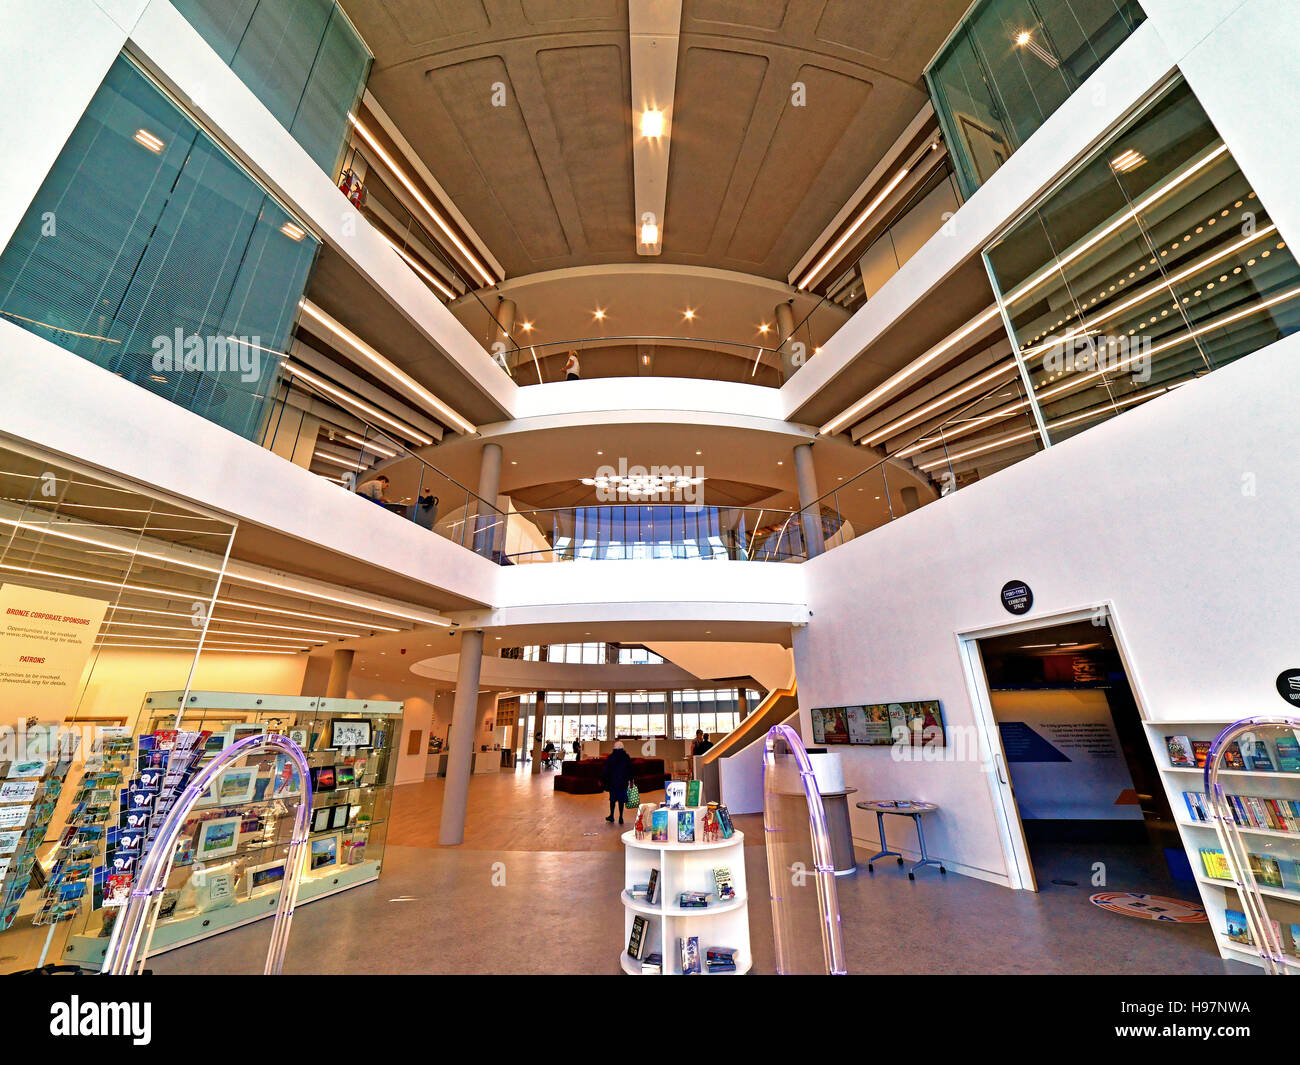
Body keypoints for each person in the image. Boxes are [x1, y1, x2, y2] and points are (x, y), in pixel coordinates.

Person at [601, 740, 632, 824]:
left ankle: (611, 816)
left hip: (613, 782)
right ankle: (621, 817)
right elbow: (630, 770)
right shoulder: (626, 757)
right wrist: (631, 780)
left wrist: (603, 780)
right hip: (623, 782)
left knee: (613, 800)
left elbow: (606, 770)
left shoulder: (611, 757)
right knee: (621, 800)